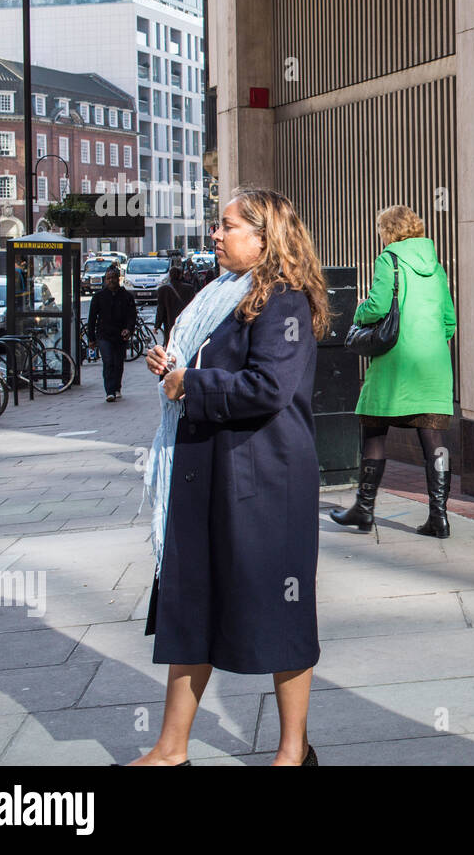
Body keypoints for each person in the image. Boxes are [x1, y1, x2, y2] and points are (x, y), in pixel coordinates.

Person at [133, 188, 330, 766]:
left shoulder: (285, 301)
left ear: (265, 237)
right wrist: (174, 366)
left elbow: (271, 387)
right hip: (206, 475)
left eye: (227, 227)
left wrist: (190, 385)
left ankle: (293, 753)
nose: (215, 236)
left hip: (265, 484)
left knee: (281, 611)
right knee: (189, 604)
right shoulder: (220, 294)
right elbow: (211, 367)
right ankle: (171, 750)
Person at [330, 206, 457, 537]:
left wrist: (359, 312)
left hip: (395, 360)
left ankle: (364, 509)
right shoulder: (437, 266)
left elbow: (377, 306)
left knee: (374, 428)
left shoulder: (389, 258)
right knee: (433, 436)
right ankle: (439, 518)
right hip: (433, 364)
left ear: (388, 231)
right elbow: (449, 321)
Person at [86, 266, 137, 402]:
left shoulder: (126, 296)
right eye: (108, 278)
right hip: (104, 335)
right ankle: (109, 391)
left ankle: (117, 387)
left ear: (118, 278)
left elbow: (132, 316)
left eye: (113, 278)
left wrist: (129, 329)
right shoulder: (99, 297)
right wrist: (91, 339)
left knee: (118, 363)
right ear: (105, 280)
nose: (111, 281)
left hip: (120, 336)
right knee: (108, 361)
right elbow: (91, 319)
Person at [154, 261, 196, 345]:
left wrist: (157, 325)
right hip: (186, 323)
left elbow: (161, 309)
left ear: (170, 276)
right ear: (180, 275)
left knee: (171, 344)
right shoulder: (189, 288)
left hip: (170, 324)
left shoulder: (163, 290)